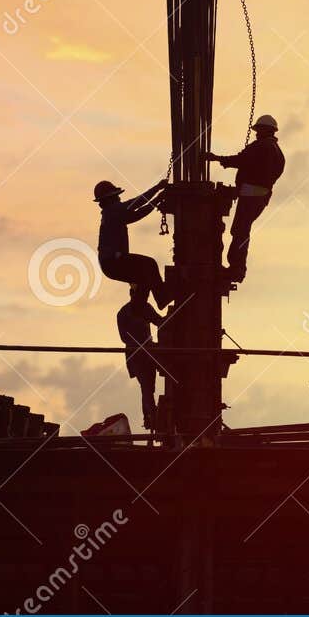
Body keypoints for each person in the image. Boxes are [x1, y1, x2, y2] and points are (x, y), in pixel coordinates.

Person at [207, 115, 285, 281]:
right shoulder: (277, 152)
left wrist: (217, 158)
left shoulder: (262, 147)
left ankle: (237, 268)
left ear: (266, 130)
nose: (256, 133)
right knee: (242, 230)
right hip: (259, 196)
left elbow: (241, 160)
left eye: (258, 130)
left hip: (250, 195)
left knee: (240, 230)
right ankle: (236, 267)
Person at [95, 179, 169, 306]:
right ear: (110, 199)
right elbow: (138, 203)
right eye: (116, 196)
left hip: (109, 264)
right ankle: (161, 297)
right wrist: (157, 189)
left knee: (144, 279)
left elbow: (137, 214)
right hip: (113, 262)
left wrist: (157, 200)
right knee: (149, 264)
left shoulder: (112, 214)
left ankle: (139, 308)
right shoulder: (113, 211)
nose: (119, 198)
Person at [116, 283, 165, 432]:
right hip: (137, 355)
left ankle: (152, 416)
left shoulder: (145, 308)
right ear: (132, 294)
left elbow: (159, 321)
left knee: (149, 387)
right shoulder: (124, 313)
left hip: (149, 352)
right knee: (147, 387)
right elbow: (124, 338)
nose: (144, 299)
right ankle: (150, 416)